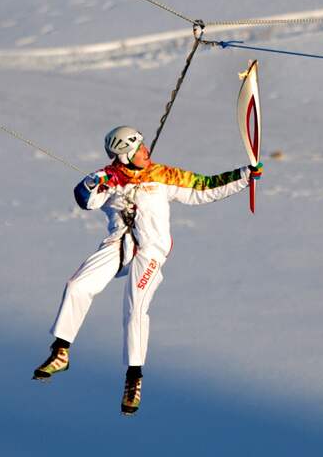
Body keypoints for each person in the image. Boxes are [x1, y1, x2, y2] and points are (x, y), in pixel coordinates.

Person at [33, 125, 261, 415]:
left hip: (151, 251)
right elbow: (84, 199)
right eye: (138, 149)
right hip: (119, 244)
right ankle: (61, 350)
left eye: (143, 145)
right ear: (125, 156)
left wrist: (243, 175)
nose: (146, 151)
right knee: (78, 285)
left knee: (135, 305)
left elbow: (204, 187)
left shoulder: (161, 175)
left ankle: (133, 378)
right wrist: (97, 181)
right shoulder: (110, 179)